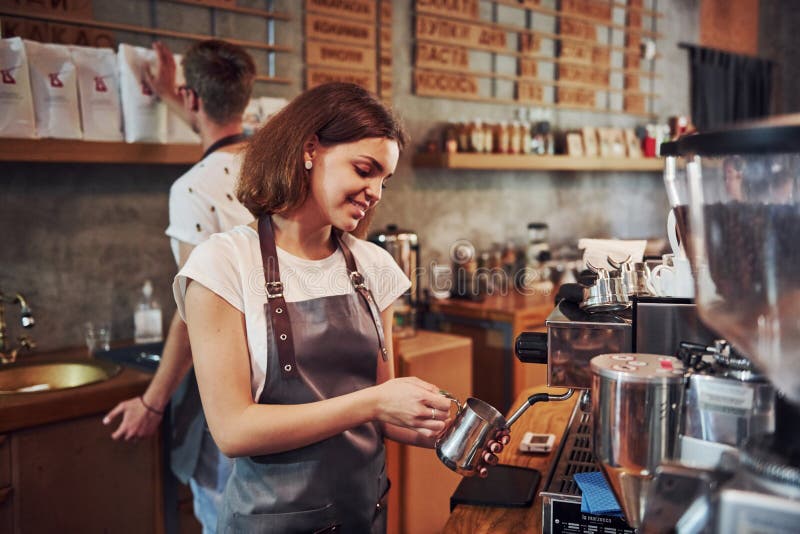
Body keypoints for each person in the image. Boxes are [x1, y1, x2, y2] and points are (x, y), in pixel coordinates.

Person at [173, 82, 507, 533]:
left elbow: (382, 412)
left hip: (363, 514)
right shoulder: (222, 264)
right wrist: (373, 403)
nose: (375, 193)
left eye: (384, 180)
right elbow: (233, 429)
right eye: (364, 169)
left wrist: (448, 435)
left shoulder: (374, 266)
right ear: (310, 147)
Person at [103, 39, 256, 533]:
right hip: (285, 387)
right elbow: (218, 128)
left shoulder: (193, 189)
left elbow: (195, 313)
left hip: (228, 394)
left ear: (194, 98)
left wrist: (152, 401)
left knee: (224, 519)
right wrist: (173, 92)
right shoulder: (275, 166)